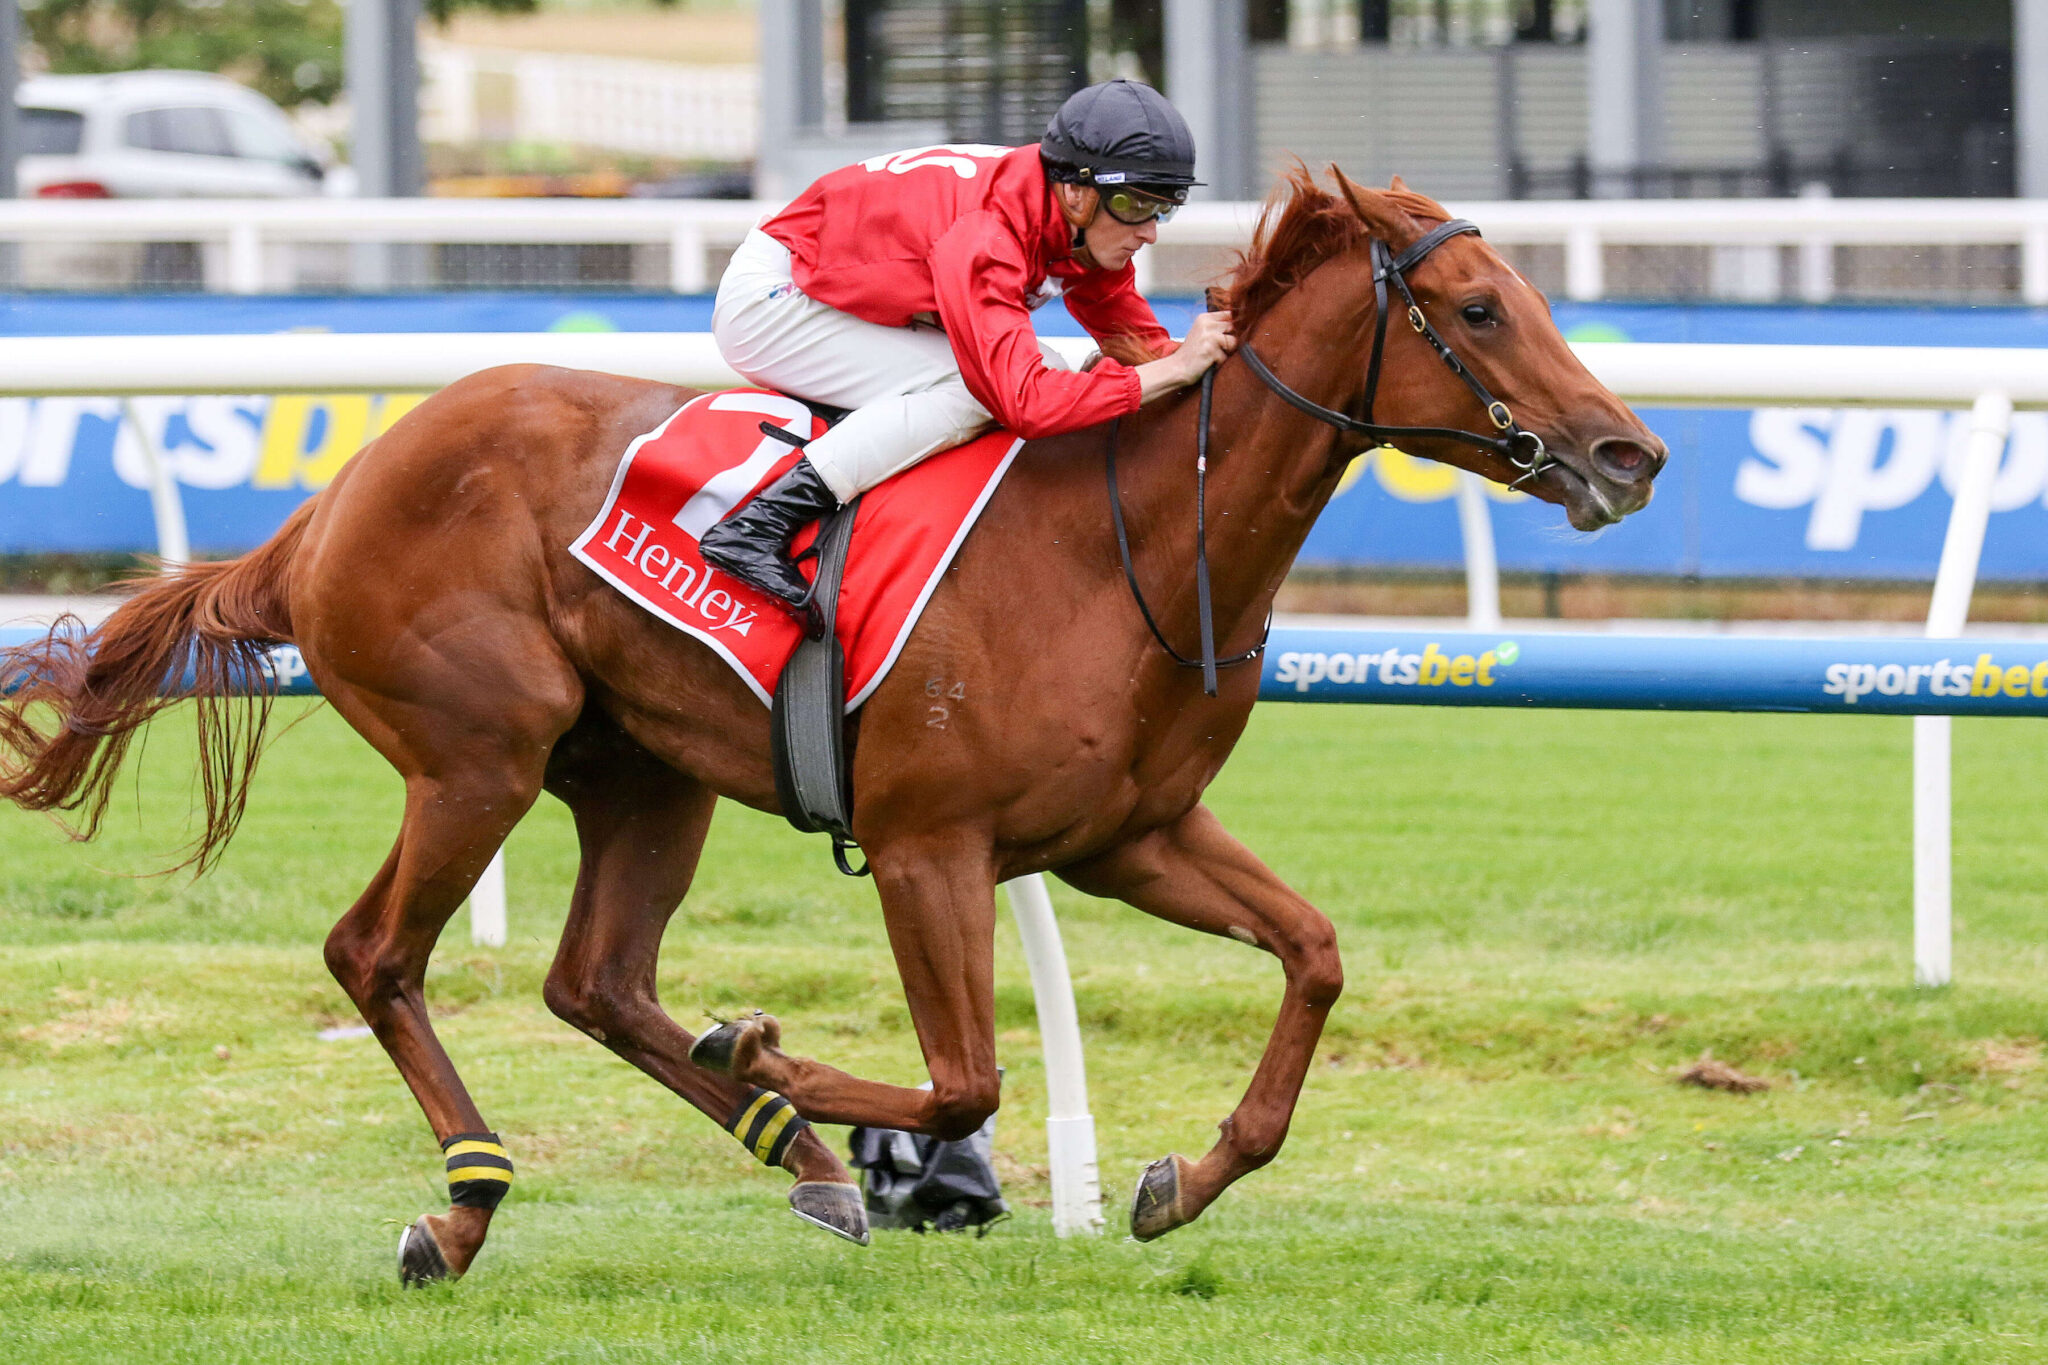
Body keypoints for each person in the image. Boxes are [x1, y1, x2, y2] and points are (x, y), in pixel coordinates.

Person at [699, 77, 1238, 612]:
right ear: (1076, 192)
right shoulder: (988, 235)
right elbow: (1024, 403)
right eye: (1134, 204)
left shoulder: (1073, 213)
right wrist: (1170, 371)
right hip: (774, 299)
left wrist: (1210, 361)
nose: (1150, 231)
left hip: (828, 282)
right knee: (979, 387)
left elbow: (1136, 342)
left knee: (1042, 366)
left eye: (1164, 207)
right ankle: (761, 522)